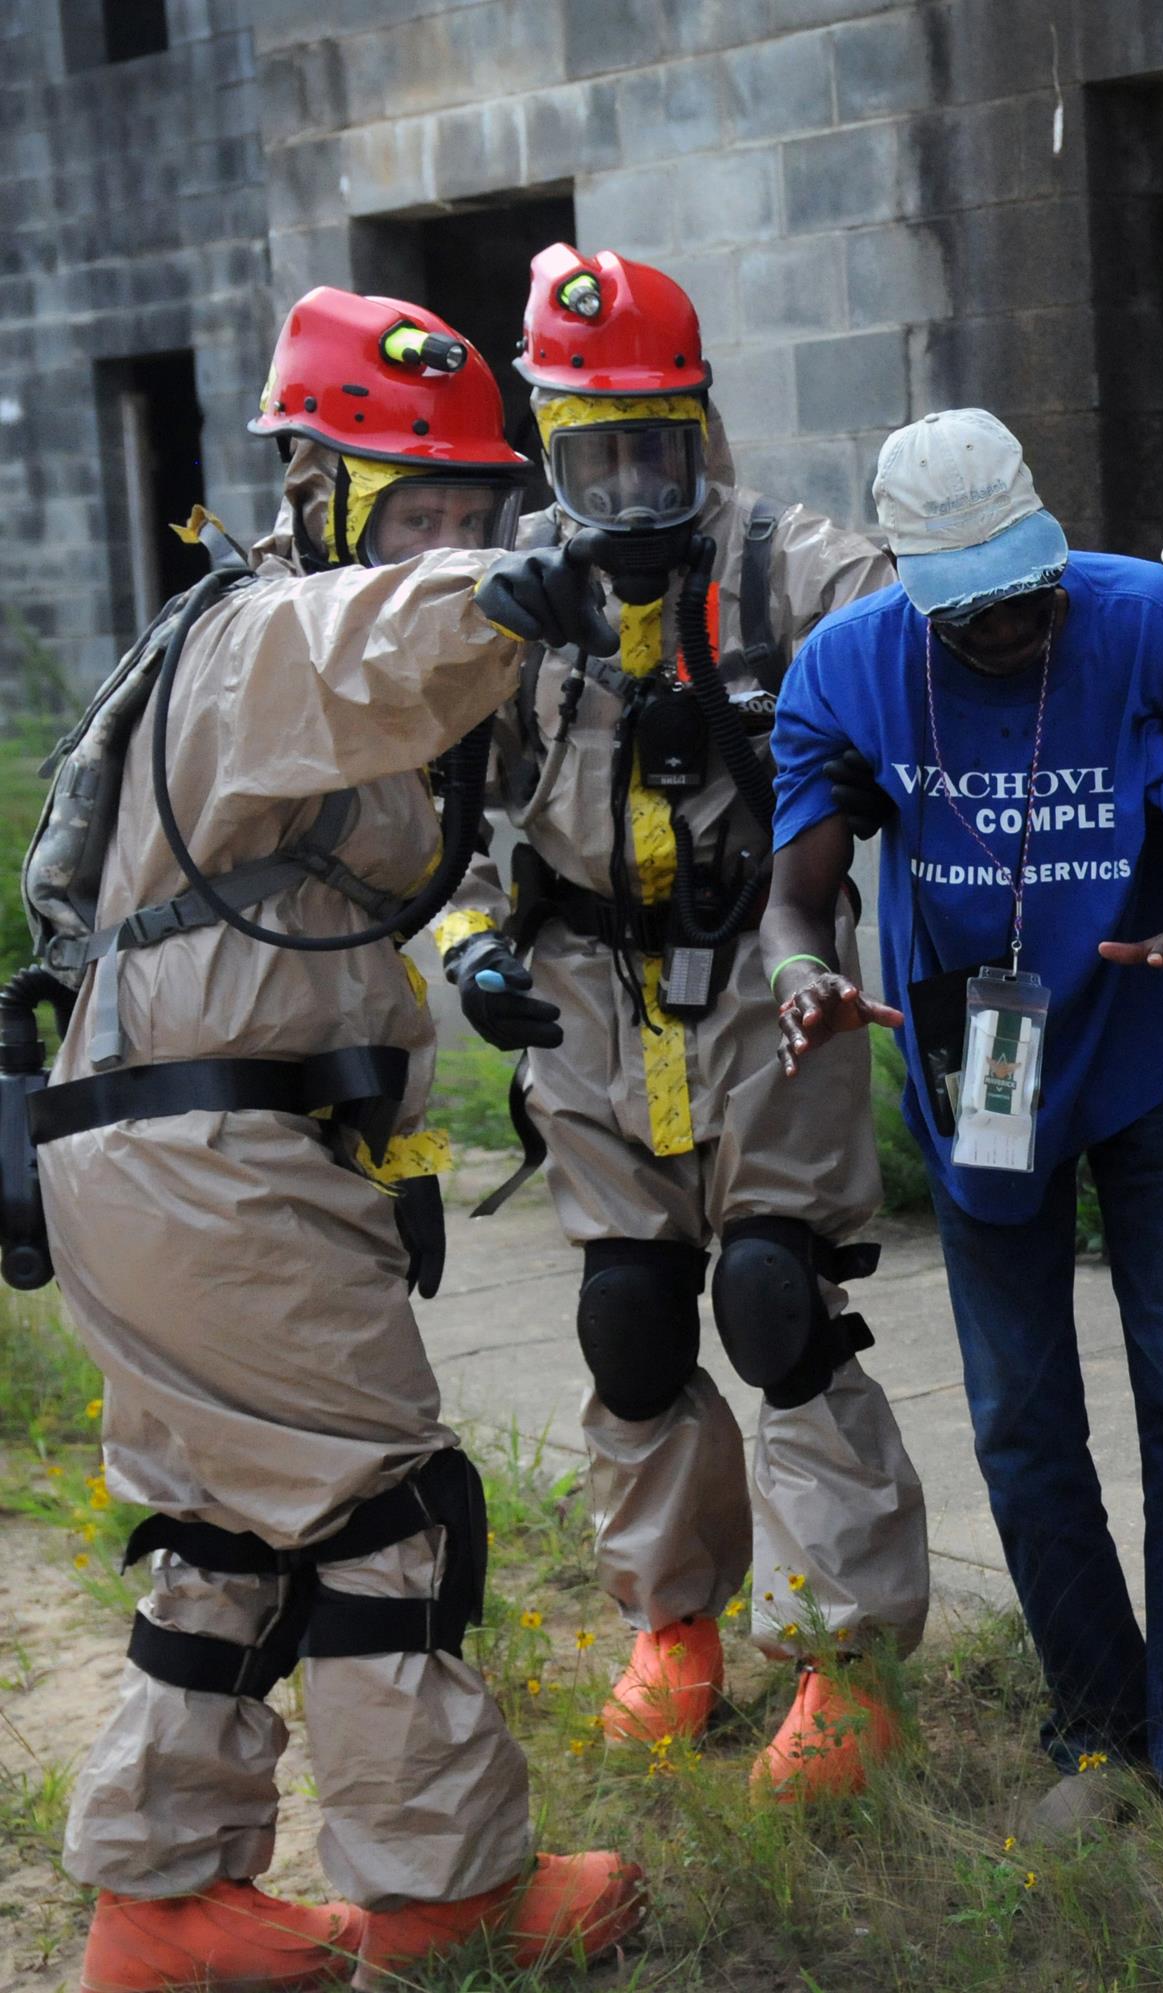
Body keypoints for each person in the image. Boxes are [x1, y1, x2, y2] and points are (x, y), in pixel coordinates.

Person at [31, 288, 640, 1991]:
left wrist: (461, 991)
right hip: (213, 1167)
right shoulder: (274, 632)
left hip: (183, 1158)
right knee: (391, 1514)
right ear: (313, 485)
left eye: (472, 510)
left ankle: (163, 1905)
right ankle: (446, 1899)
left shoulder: (277, 668)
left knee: (228, 1531)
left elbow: (340, 887)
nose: (448, 537)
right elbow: (382, 641)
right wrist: (498, 587)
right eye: (412, 505)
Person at [760, 409, 1163, 1885]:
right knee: (1019, 1414)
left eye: (1025, 589)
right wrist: (798, 970)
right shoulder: (850, 666)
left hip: (1152, 1054)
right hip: (982, 1077)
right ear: (907, 581)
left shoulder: (1146, 623)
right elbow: (796, 888)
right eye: (971, 605)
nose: (1006, 626)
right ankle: (1097, 1729)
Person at [428, 244, 927, 1798]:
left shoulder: (796, 568)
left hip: (769, 989)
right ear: (549, 450)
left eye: (658, 447)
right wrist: (465, 954)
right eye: (596, 455)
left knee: (778, 1305)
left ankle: (845, 1656)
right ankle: (677, 1619)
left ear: (702, 429)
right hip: (585, 998)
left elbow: (939, 653)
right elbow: (411, 820)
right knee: (629, 1324)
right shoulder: (504, 601)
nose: (633, 487)